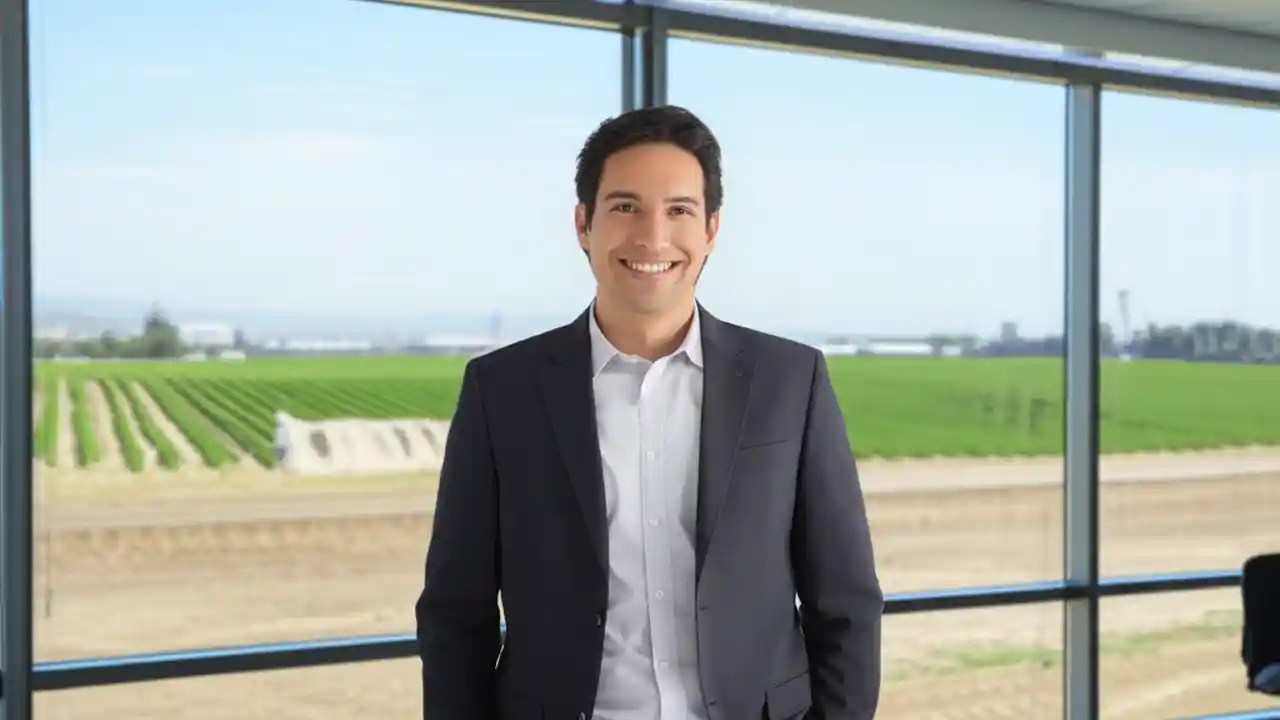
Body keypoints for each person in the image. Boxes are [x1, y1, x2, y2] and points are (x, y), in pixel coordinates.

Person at [415, 105, 883, 720]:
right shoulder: (501, 390)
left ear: (711, 229)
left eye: (679, 211)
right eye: (626, 207)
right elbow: (456, 613)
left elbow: (845, 602)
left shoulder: (790, 380)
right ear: (584, 224)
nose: (653, 237)